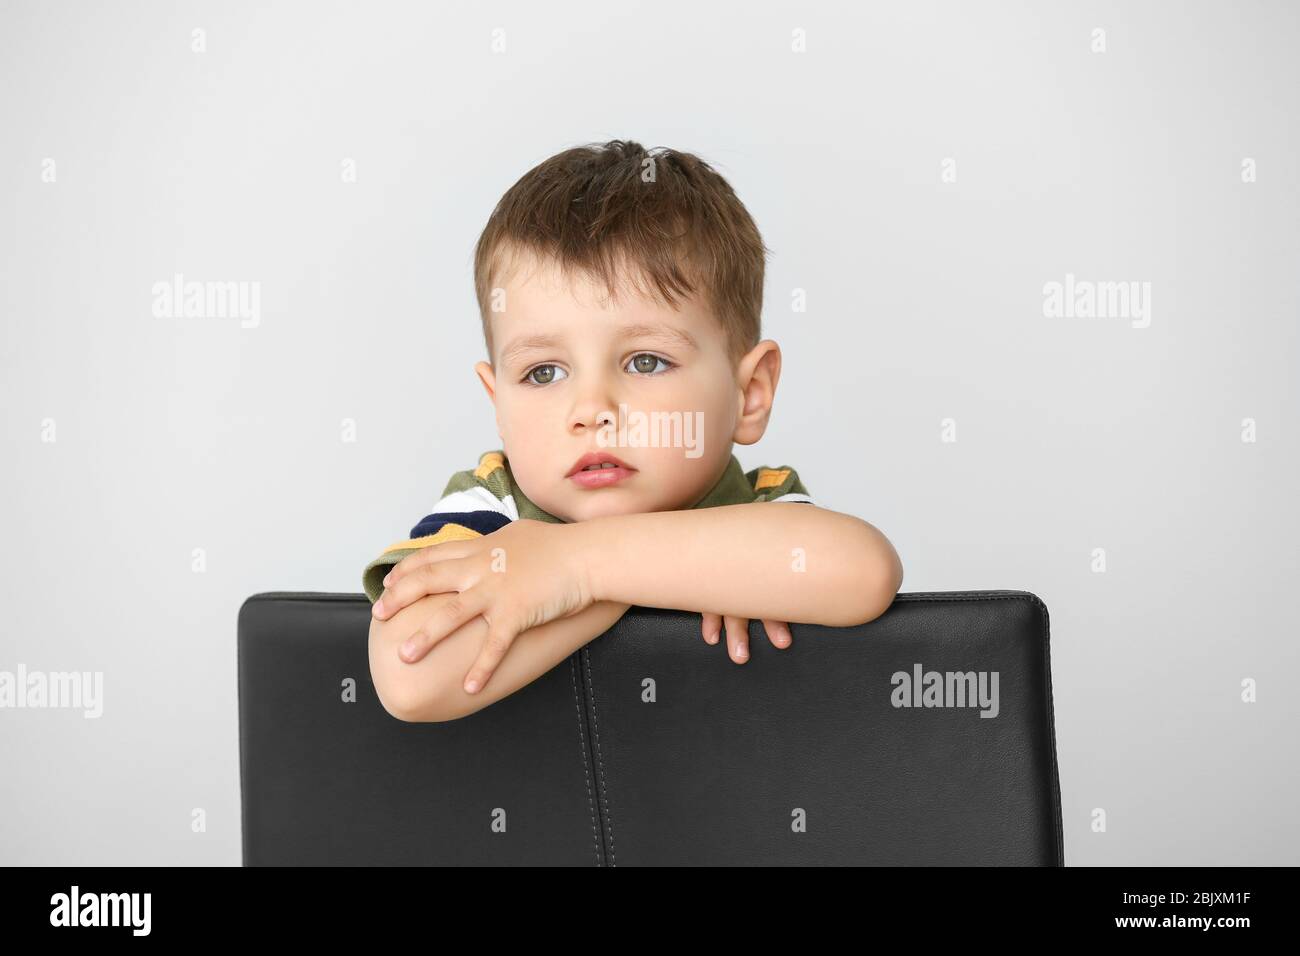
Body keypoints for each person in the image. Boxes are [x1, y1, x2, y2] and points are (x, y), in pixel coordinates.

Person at [362, 140, 903, 722]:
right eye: (543, 372)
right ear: (499, 405)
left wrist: (583, 568)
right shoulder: (491, 513)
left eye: (645, 361)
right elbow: (411, 678)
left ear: (749, 395)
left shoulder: (761, 507)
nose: (591, 409)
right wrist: (677, 576)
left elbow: (865, 573)